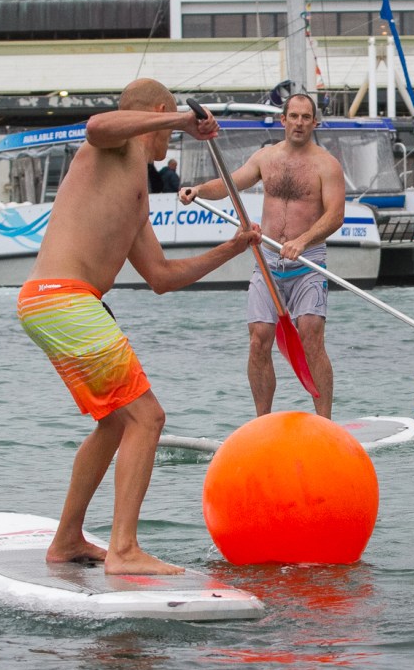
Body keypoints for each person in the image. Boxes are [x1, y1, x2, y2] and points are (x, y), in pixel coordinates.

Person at [17, 78, 261, 575]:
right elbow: (96, 124)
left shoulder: (135, 191)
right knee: (147, 419)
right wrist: (181, 120)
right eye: (168, 128)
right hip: (63, 300)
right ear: (156, 113)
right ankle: (124, 550)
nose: (171, 140)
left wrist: (232, 249)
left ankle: (66, 540)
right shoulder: (116, 145)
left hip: (55, 304)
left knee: (113, 424)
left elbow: (163, 278)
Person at [180, 92, 344, 418]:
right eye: (293, 116)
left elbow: (335, 216)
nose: (299, 122)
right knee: (259, 339)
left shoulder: (327, 165)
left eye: (305, 117)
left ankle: (325, 423)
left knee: (311, 337)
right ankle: (263, 422)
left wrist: (304, 239)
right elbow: (230, 184)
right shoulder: (265, 157)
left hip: (307, 263)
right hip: (267, 262)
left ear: (314, 122)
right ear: (283, 120)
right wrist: (198, 191)